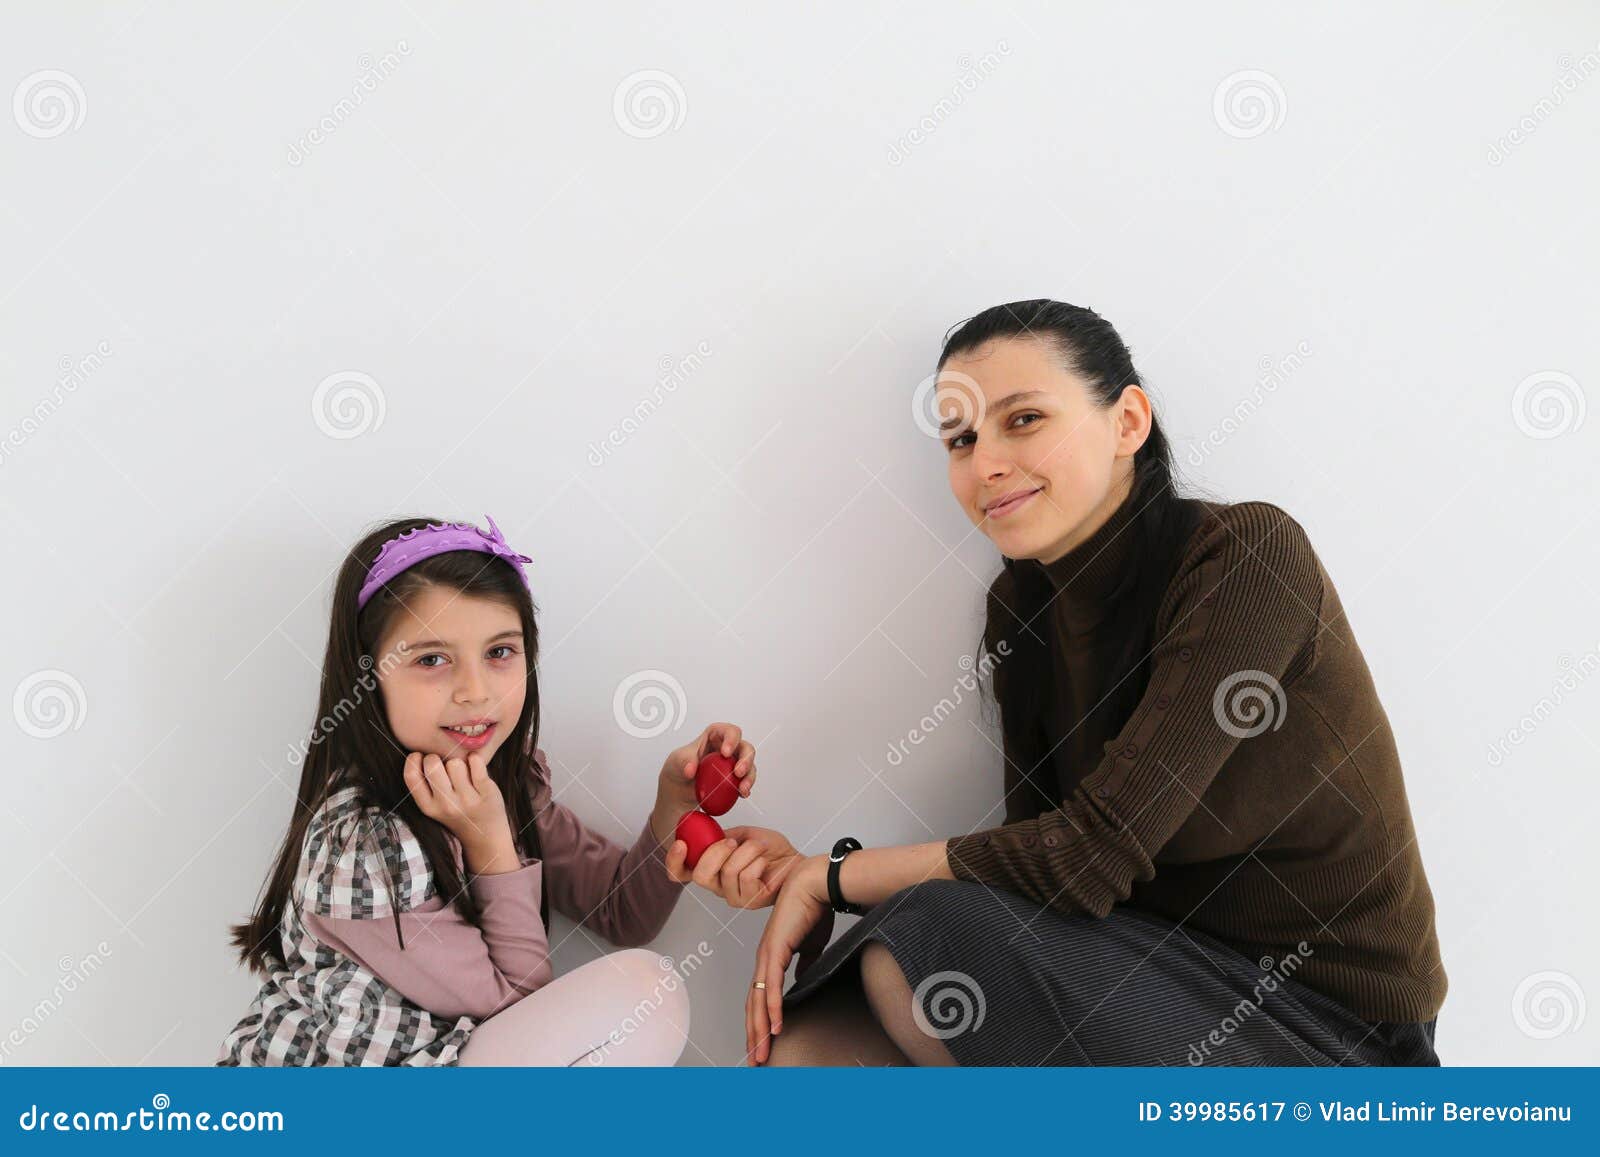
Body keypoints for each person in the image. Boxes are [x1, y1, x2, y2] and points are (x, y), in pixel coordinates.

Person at [698, 300, 1446, 1066]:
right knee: (814, 1040)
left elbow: (1091, 853)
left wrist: (834, 877)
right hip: (1136, 979)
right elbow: (1038, 877)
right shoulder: (1019, 609)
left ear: (1128, 423)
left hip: (1327, 1030)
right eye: (961, 438)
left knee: (928, 946)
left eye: (1022, 420)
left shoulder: (1247, 557)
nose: (985, 462)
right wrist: (803, 873)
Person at [217, 514, 773, 1065]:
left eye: (500, 652)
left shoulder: (503, 784)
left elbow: (623, 916)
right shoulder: (362, 846)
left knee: (649, 993)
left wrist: (673, 808)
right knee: (643, 990)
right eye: (432, 659)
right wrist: (491, 847)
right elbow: (518, 1004)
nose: (475, 691)